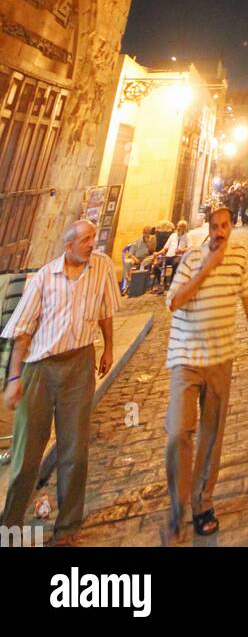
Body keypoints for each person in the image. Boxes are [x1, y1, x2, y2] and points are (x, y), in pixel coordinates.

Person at [1, 219, 121, 545]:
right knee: (26, 454)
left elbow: (106, 310)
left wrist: (109, 347)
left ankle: (67, 528)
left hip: (80, 365)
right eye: (85, 240)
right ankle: (9, 525)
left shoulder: (102, 268)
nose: (91, 244)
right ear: (68, 246)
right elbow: (22, 331)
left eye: (93, 238)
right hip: (40, 368)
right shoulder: (43, 278)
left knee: (75, 451)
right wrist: (14, 378)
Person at [162, 206, 248, 544]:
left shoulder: (240, 257)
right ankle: (177, 506)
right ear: (208, 229)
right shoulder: (192, 258)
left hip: (221, 357)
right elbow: (174, 301)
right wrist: (207, 268)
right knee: (179, 431)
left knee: (211, 434)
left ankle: (202, 504)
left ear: (232, 226)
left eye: (225, 226)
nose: (220, 232)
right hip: (186, 358)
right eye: (215, 227)